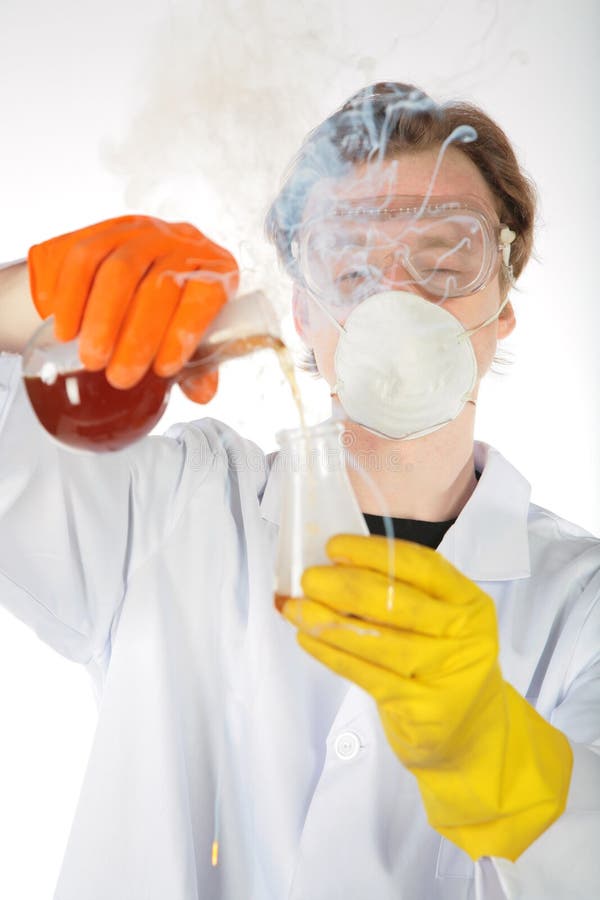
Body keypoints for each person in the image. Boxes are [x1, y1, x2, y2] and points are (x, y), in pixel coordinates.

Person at [0, 82, 598, 900]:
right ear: (304, 315)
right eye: (349, 265)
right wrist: (27, 302)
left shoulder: (586, 604)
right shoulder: (173, 508)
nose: (398, 297)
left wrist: (498, 755)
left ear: (503, 305)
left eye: (449, 255)